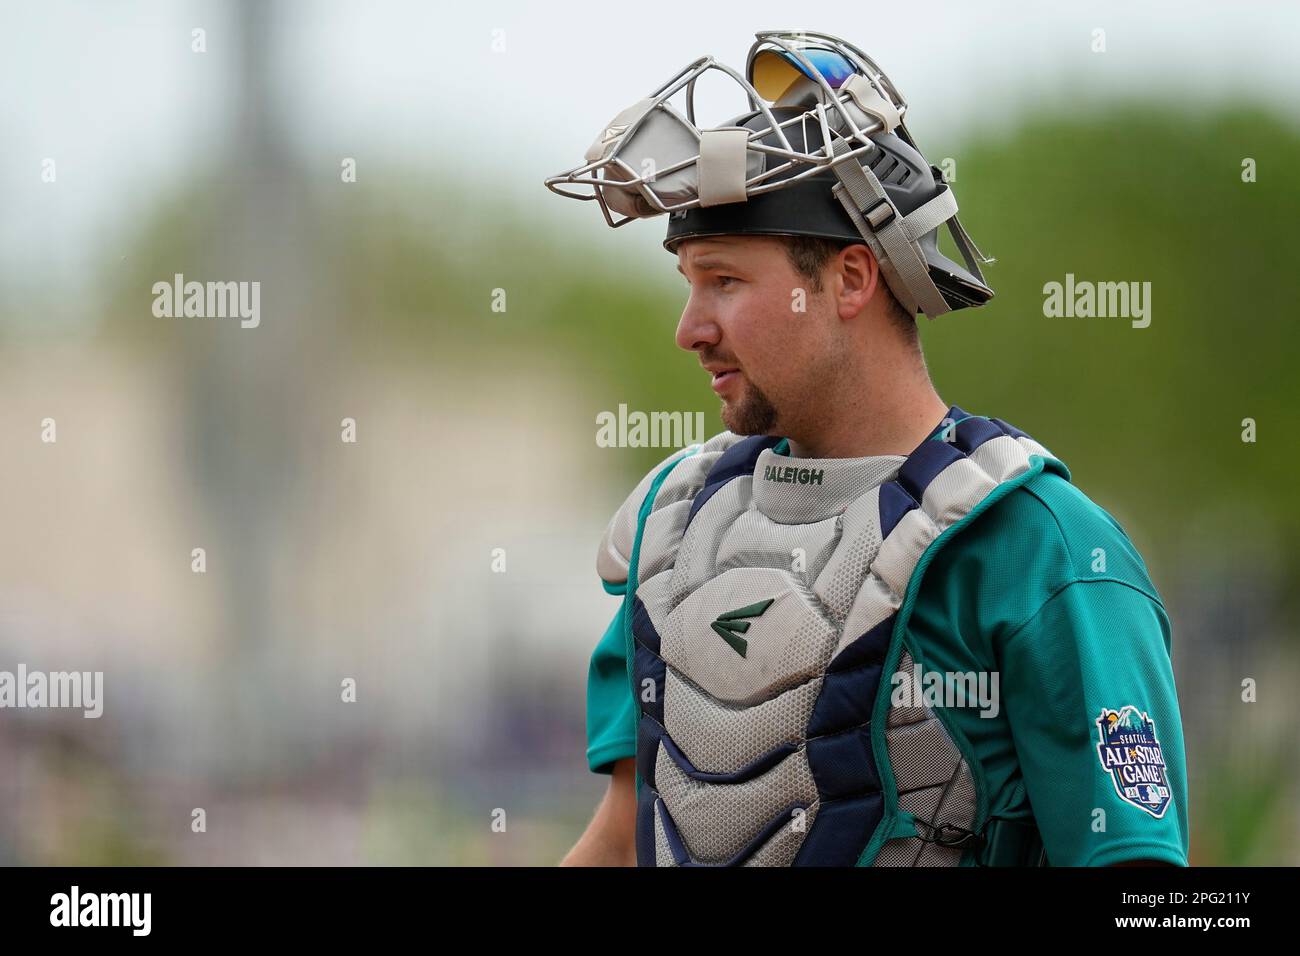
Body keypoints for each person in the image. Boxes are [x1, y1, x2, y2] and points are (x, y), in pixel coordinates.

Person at [547, 31, 1189, 867]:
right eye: (689, 283)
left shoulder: (1037, 548)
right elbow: (622, 840)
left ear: (850, 280)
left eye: (726, 281)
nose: (689, 330)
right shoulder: (673, 530)